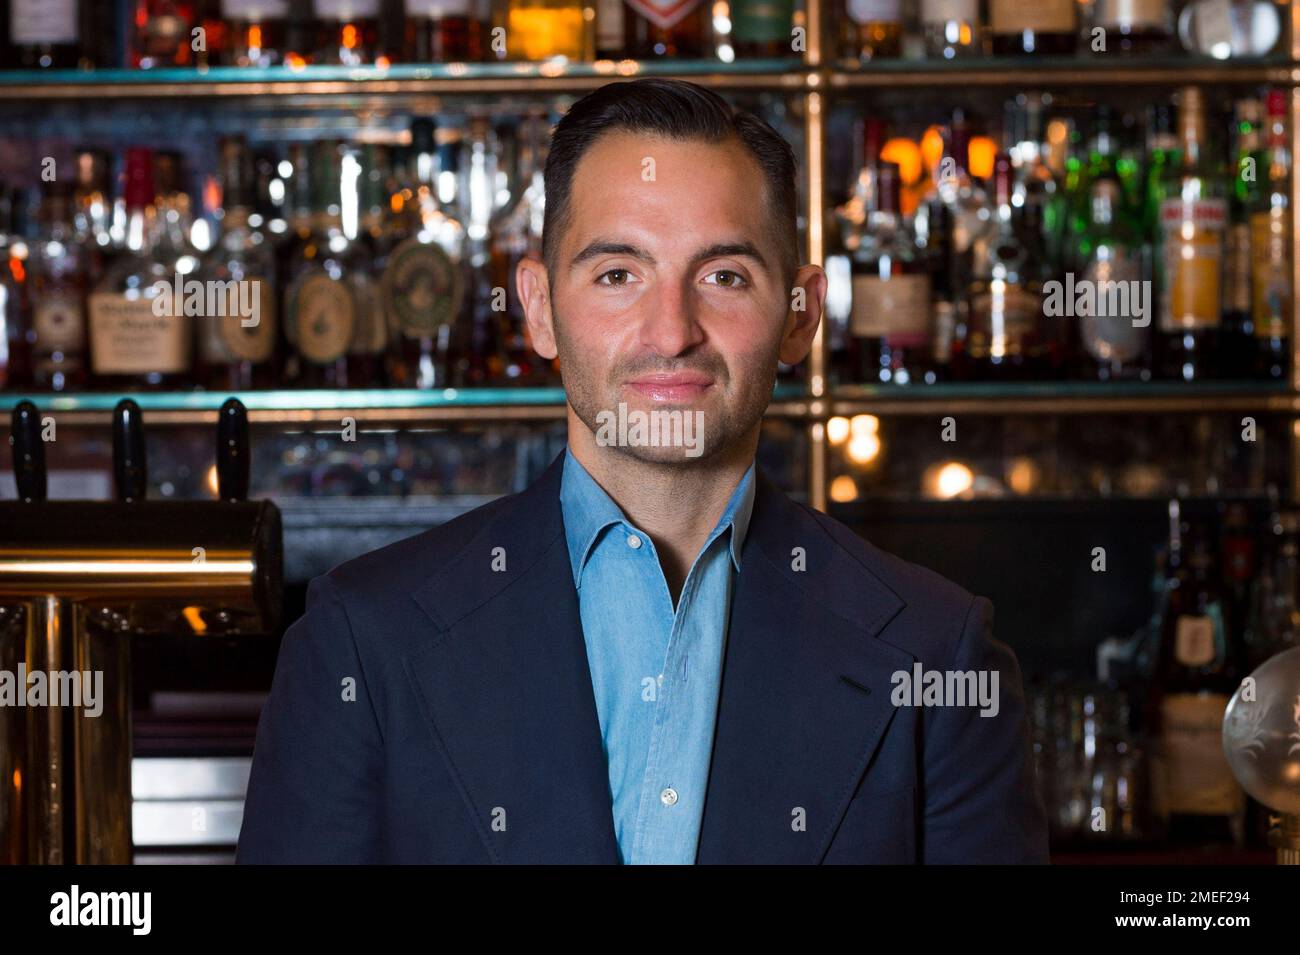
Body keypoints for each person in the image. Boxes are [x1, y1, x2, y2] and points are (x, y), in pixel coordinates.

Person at [237, 78, 1050, 864]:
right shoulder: (362, 642)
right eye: (618, 274)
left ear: (800, 314)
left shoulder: (939, 658)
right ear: (541, 306)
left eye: (724, 276)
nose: (672, 330)